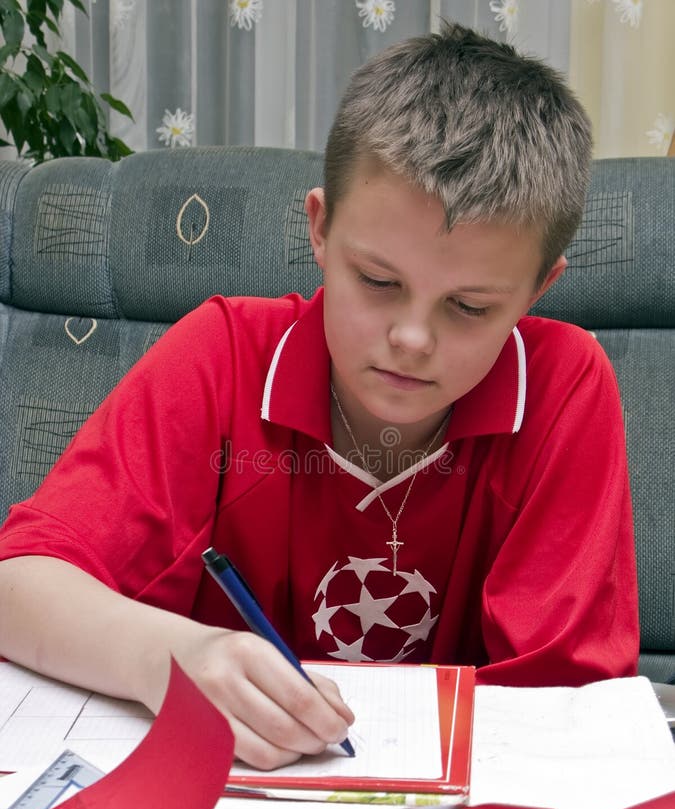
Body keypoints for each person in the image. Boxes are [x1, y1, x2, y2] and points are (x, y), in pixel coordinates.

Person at [0, 23, 638, 771]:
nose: (410, 338)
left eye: (468, 307)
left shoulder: (565, 385)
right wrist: (166, 654)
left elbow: (572, 703)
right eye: (376, 281)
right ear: (320, 229)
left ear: (537, 290)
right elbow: (20, 583)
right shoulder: (222, 355)